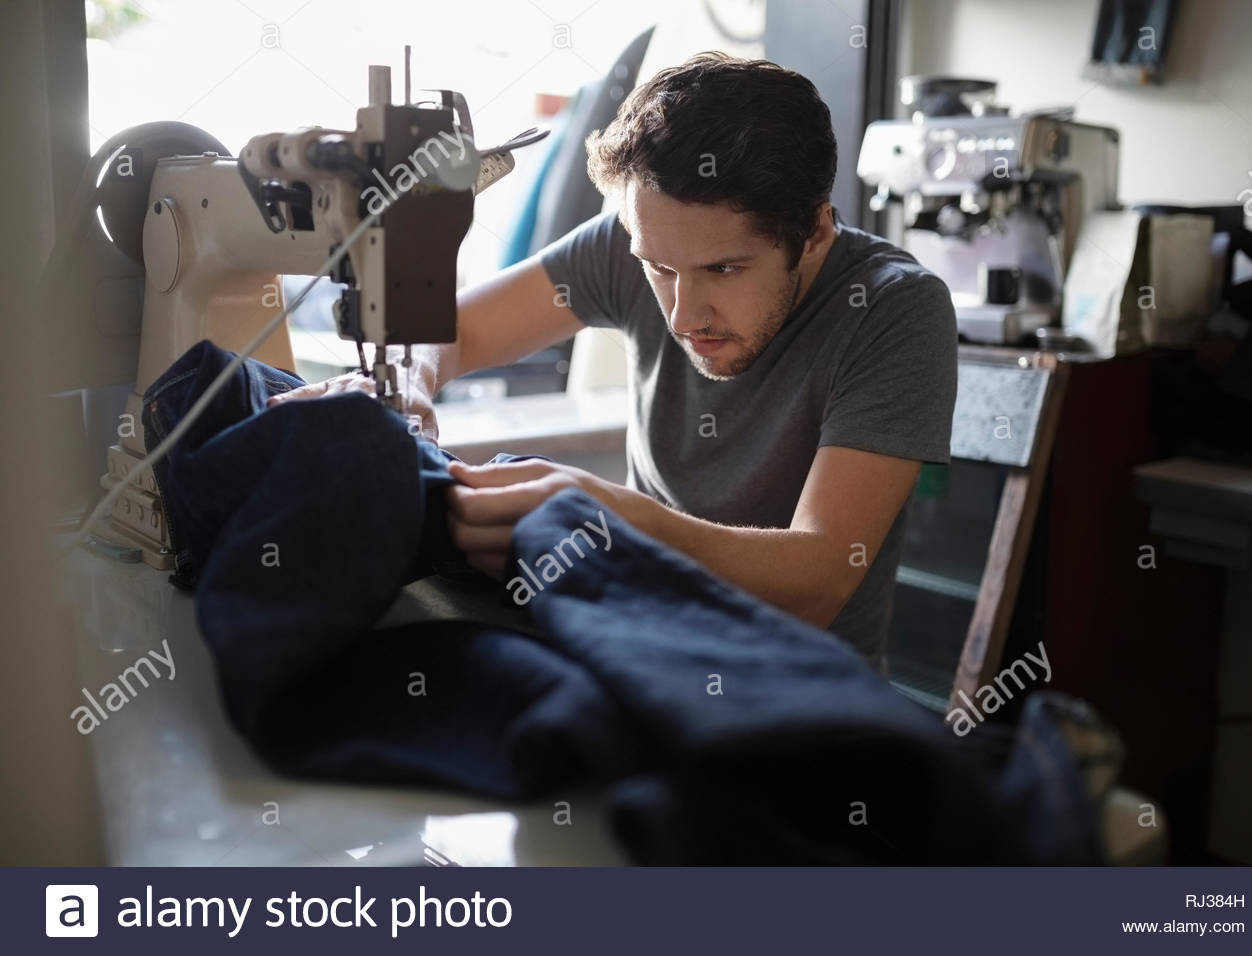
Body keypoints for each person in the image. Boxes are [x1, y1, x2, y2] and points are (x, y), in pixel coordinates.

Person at [273, 53, 957, 668]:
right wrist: (410, 383)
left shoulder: (897, 310)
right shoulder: (642, 236)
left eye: (724, 268)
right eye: (658, 269)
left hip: (797, 697)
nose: (685, 314)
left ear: (814, 233)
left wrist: (613, 519)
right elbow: (453, 331)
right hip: (639, 643)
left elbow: (819, 579)